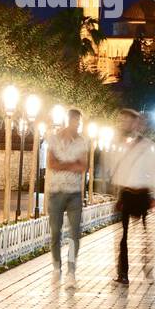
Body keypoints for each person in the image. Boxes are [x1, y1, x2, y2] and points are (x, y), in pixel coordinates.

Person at [109, 110, 155, 285]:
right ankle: (123, 273)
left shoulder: (145, 145)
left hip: (142, 193)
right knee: (122, 237)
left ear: (136, 123)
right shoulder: (117, 144)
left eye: (129, 120)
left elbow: (154, 170)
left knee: (147, 235)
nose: (125, 123)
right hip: (125, 193)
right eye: (122, 119)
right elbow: (114, 169)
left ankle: (147, 266)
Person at [44, 107, 89, 284]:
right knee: (55, 232)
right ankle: (56, 266)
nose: (77, 125)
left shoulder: (82, 142)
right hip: (55, 192)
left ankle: (71, 270)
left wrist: (62, 163)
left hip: (74, 194)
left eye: (79, 122)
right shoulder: (54, 139)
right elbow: (50, 164)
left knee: (74, 233)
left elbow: (83, 166)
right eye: (75, 121)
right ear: (68, 121)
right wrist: (71, 163)